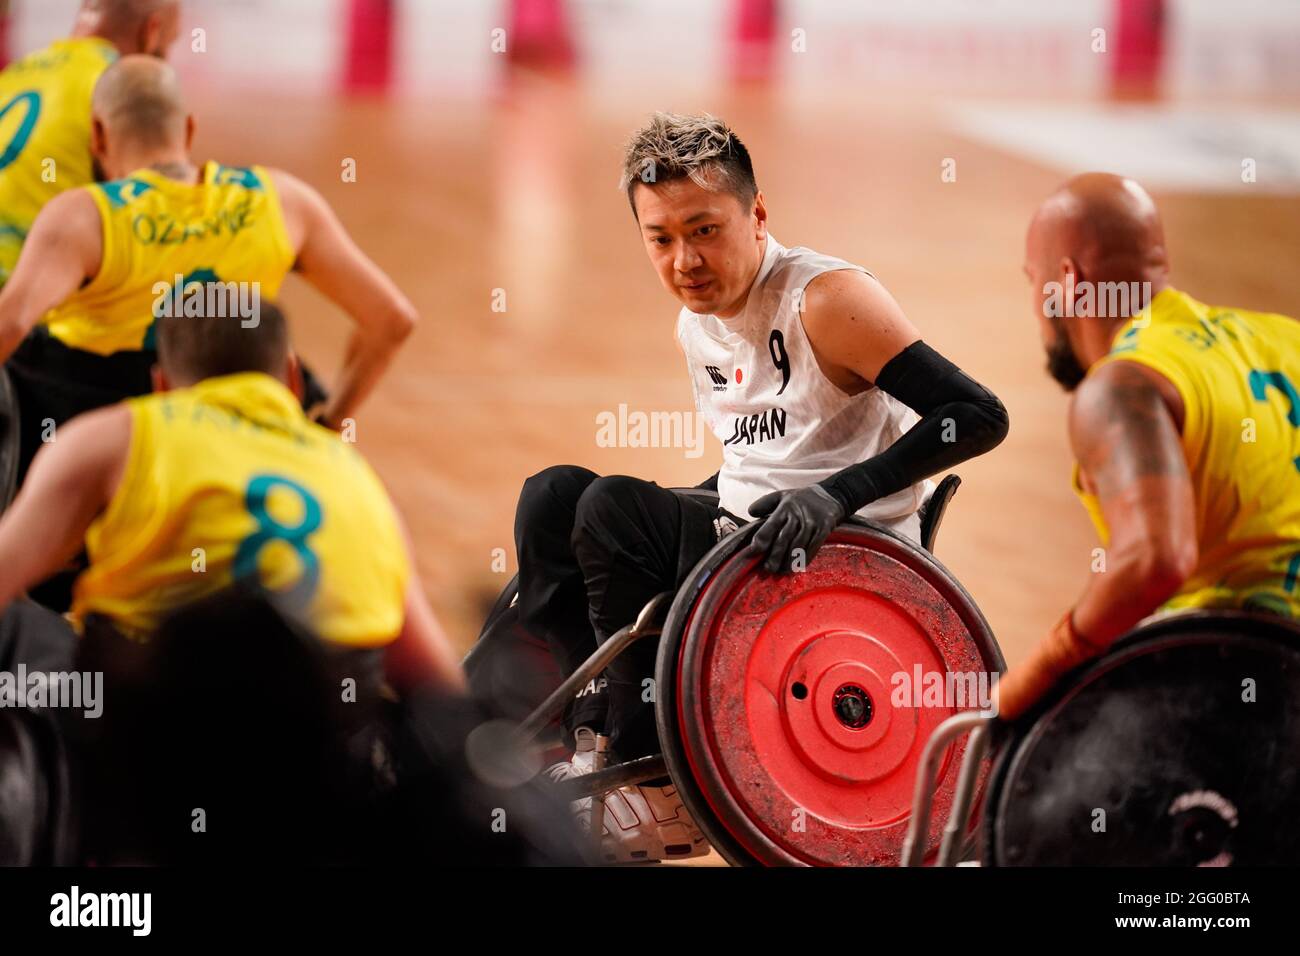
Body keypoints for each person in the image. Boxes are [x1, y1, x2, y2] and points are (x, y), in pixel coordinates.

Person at [514, 112, 1009, 860]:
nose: (685, 259)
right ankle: (577, 736)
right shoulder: (697, 322)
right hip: (749, 536)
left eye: (705, 229)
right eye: (662, 238)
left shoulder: (828, 301)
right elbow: (769, 454)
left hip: (841, 558)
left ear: (757, 217)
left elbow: (977, 415)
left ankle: (656, 789)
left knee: (611, 509)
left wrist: (837, 494)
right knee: (553, 497)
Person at [0, 55, 416, 606]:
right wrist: (329, 423)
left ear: (98, 134)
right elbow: (392, 319)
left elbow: (10, 323)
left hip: (96, 446)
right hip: (244, 445)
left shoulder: (83, 216)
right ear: (189, 128)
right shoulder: (281, 200)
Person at [0, 301, 462, 698]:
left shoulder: (114, 435)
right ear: (294, 379)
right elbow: (434, 680)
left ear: (160, 384)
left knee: (21, 628)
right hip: (319, 751)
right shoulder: (358, 477)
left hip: (150, 732)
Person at [996, 172, 1300, 720]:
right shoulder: (1287, 339)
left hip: (1245, 686)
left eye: (1032, 283)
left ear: (1067, 281)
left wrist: (1027, 683)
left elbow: (1155, 559)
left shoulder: (1121, 386)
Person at [0, 0, 182, 287]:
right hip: (19, 293)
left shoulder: (17, 72)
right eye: (169, 44)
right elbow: (159, 219)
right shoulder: (122, 90)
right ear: (152, 32)